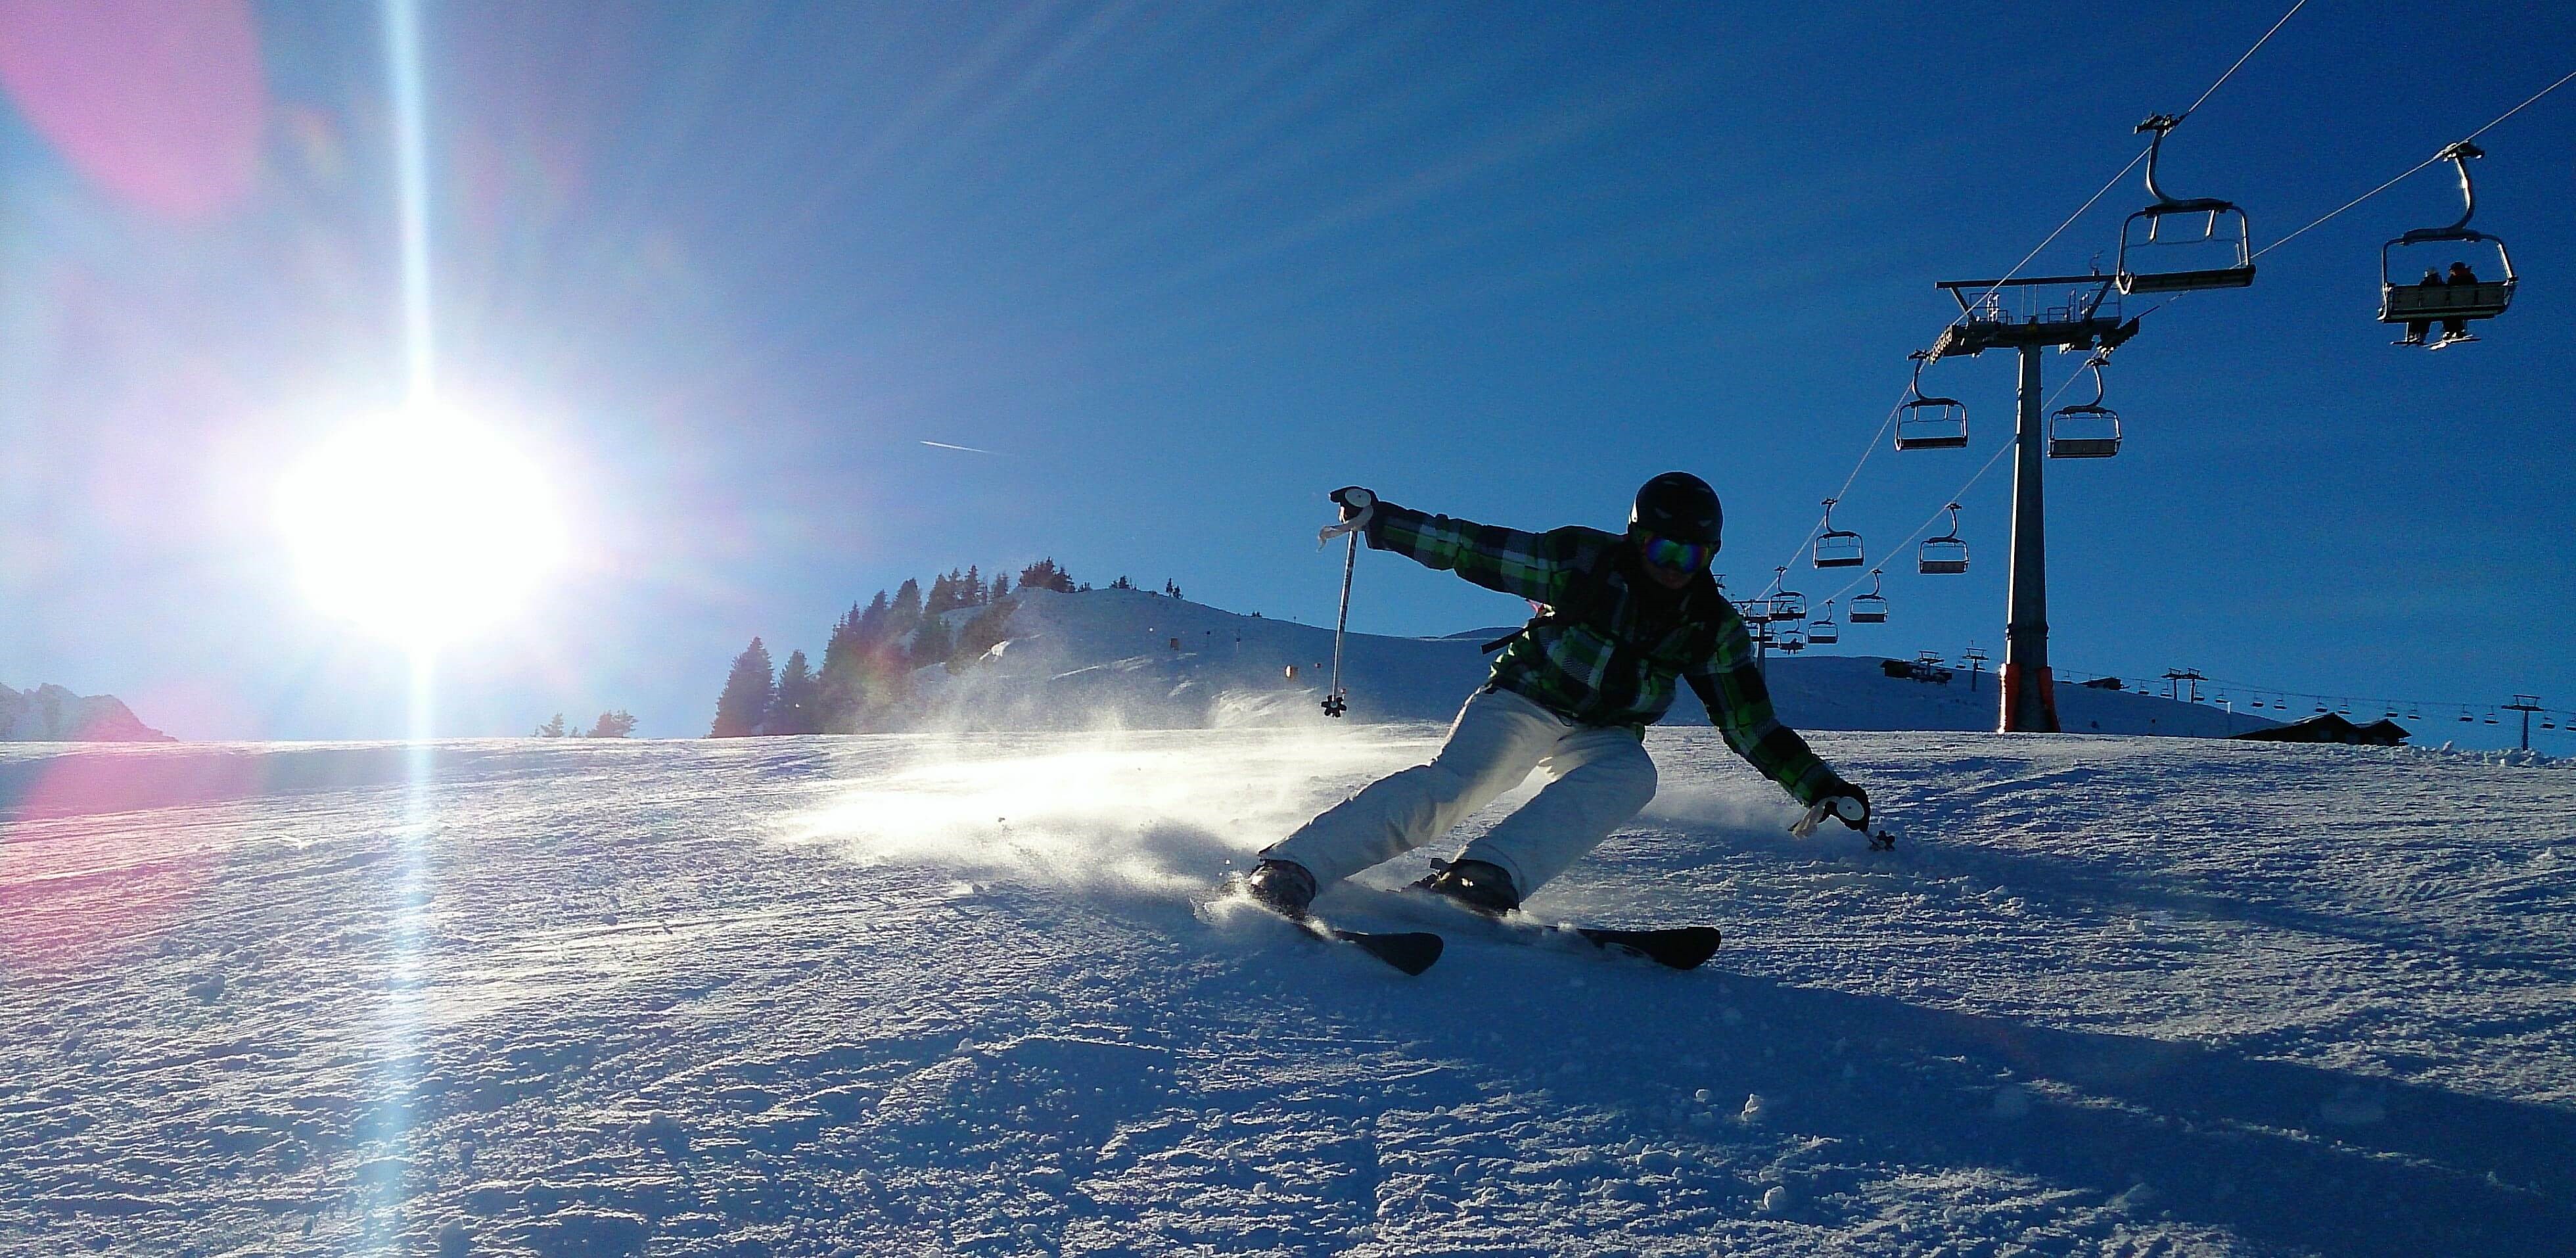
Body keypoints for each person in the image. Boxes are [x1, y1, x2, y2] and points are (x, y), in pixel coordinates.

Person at [1244, 473, 1872, 920]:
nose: (1675, 565)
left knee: (1632, 777)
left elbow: (1749, 724)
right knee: (1461, 784)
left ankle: (1485, 876)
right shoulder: (1583, 562)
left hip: (1605, 731)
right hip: (1527, 699)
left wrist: (1819, 787)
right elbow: (1474, 549)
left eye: (1692, 553)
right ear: (1636, 538)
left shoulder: (1713, 627)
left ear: (1711, 554)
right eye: (1661, 547)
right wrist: (1383, 521)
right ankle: (1296, 866)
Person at [2399, 266, 2443, 346]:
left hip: (2425, 307)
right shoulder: (2441, 284)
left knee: (2417, 316)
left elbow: (2417, 295)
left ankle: (2412, 334)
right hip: (2437, 308)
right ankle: (2421, 336)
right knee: (2426, 319)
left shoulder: (2424, 284)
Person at [2439, 260, 2480, 343]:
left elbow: (2448, 291)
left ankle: (2453, 331)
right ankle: (2455, 331)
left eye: (2453, 271)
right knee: (2453, 312)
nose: (2452, 273)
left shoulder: (2455, 279)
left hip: (2461, 303)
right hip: (2464, 303)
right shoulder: (2469, 278)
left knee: (2451, 312)